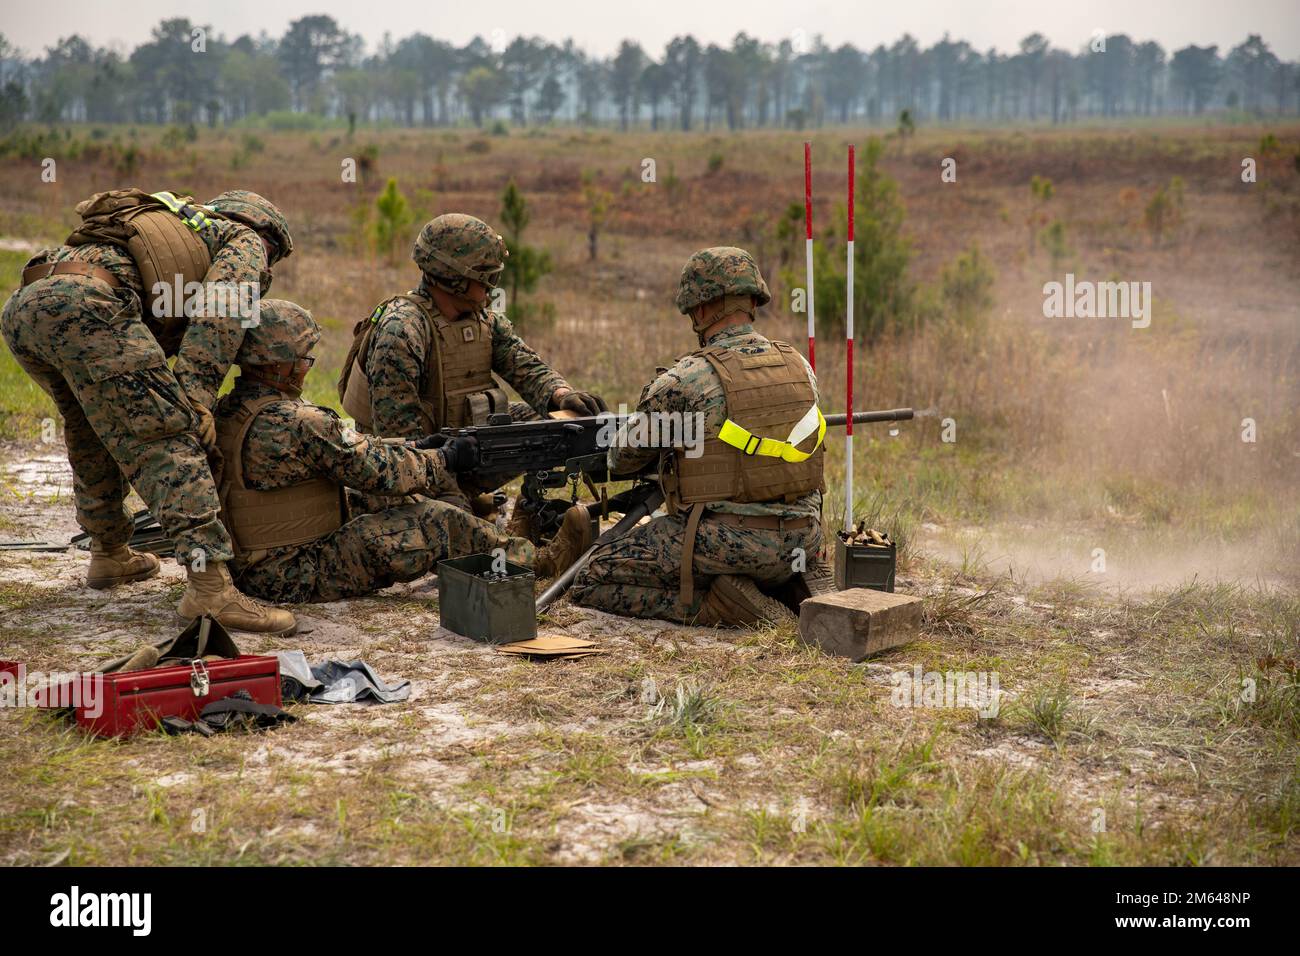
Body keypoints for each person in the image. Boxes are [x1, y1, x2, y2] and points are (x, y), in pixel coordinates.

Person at [1, 187, 297, 632]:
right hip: (93, 304)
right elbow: (223, 309)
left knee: (92, 425)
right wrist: (195, 397)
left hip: (27, 303)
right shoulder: (244, 239)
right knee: (167, 435)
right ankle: (210, 590)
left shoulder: (172, 221)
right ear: (268, 235)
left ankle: (109, 553)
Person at [215, 299, 590, 604]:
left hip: (256, 561)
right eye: (302, 357)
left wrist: (415, 448)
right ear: (278, 364)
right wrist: (445, 458)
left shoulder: (231, 411)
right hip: (293, 574)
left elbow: (349, 453)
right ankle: (538, 563)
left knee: (388, 500)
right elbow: (374, 469)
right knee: (437, 521)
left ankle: (503, 542)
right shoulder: (300, 423)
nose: (305, 367)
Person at [570, 247, 825, 627]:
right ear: (752, 301)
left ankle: (718, 607)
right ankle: (775, 588)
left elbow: (621, 458)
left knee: (591, 577)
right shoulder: (799, 366)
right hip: (804, 539)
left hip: (731, 545)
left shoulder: (686, 378)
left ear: (702, 309)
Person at [337, 213, 606, 521]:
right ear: (455, 279)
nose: (492, 289)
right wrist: (451, 490)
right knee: (456, 527)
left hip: (466, 447)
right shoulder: (402, 332)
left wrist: (560, 395)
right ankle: (483, 524)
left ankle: (529, 512)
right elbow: (402, 451)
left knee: (557, 427)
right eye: (487, 278)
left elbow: (522, 362)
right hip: (415, 467)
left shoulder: (484, 319)